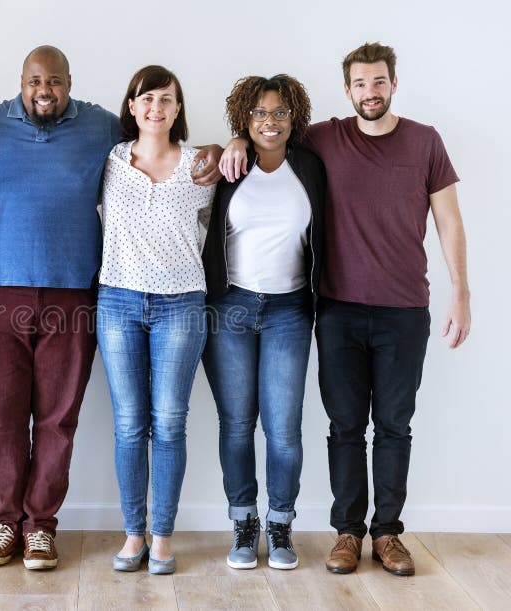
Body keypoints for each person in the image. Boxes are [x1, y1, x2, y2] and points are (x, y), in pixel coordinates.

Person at [0, 45, 223, 570]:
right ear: (20, 81)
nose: (44, 90)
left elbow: (158, 142)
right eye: (35, 80)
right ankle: (5, 521)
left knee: (58, 419)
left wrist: (220, 143)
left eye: (55, 81)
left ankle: (41, 527)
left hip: (73, 296)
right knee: (1, 416)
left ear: (70, 83)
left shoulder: (102, 127)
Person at [219, 42, 470, 576]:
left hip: (405, 309)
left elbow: (449, 220)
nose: (370, 92)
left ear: (393, 84)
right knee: (345, 427)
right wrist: (238, 135)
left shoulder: (425, 142)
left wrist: (462, 293)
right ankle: (348, 533)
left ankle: (388, 535)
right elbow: (269, 132)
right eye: (360, 83)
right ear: (348, 89)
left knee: (396, 426)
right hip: (337, 309)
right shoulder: (324, 139)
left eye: (378, 82)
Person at [202, 74, 325, 571]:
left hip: (289, 312)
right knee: (235, 425)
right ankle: (243, 520)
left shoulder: (311, 168)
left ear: (294, 118)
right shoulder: (232, 165)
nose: (268, 122)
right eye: (258, 114)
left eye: (278, 113)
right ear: (243, 120)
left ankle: (279, 523)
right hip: (229, 308)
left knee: (283, 429)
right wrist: (227, 142)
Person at [97, 65, 215, 575]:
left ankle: (162, 536)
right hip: (118, 301)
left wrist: (230, 140)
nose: (156, 108)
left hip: (182, 305)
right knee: (129, 425)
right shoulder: (110, 162)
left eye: (166, 100)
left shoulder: (200, 167)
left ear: (178, 109)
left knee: (169, 423)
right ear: (131, 106)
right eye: (146, 98)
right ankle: (133, 534)